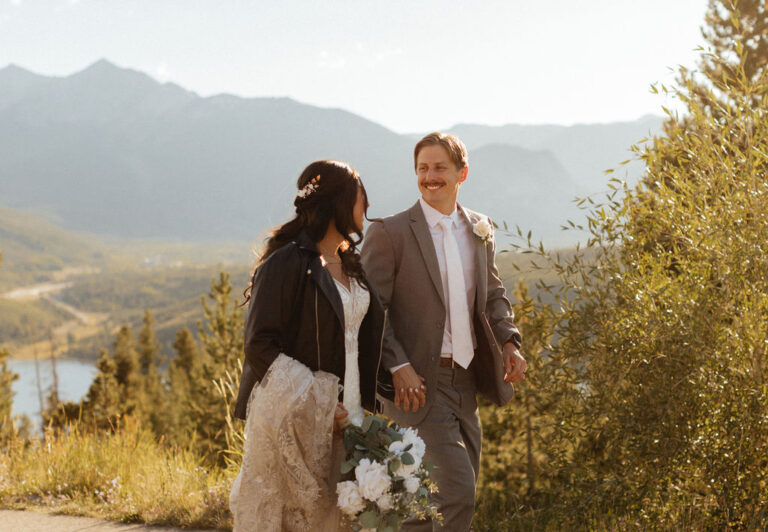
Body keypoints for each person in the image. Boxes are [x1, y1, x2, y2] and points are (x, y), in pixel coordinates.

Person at [361, 132, 528, 531]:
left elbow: (492, 294)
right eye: (422, 168)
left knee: (429, 504)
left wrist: (509, 341)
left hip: (466, 381)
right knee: (457, 492)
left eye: (439, 168)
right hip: (415, 383)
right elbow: (370, 311)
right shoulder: (390, 232)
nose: (429, 176)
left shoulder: (480, 228)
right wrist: (397, 364)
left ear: (461, 173)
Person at [229, 160, 392, 532]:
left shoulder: (352, 263)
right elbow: (259, 344)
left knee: (339, 514)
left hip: (350, 407)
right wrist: (319, 400)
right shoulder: (286, 262)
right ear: (339, 202)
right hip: (302, 410)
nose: (365, 208)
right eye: (360, 198)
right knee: (299, 515)